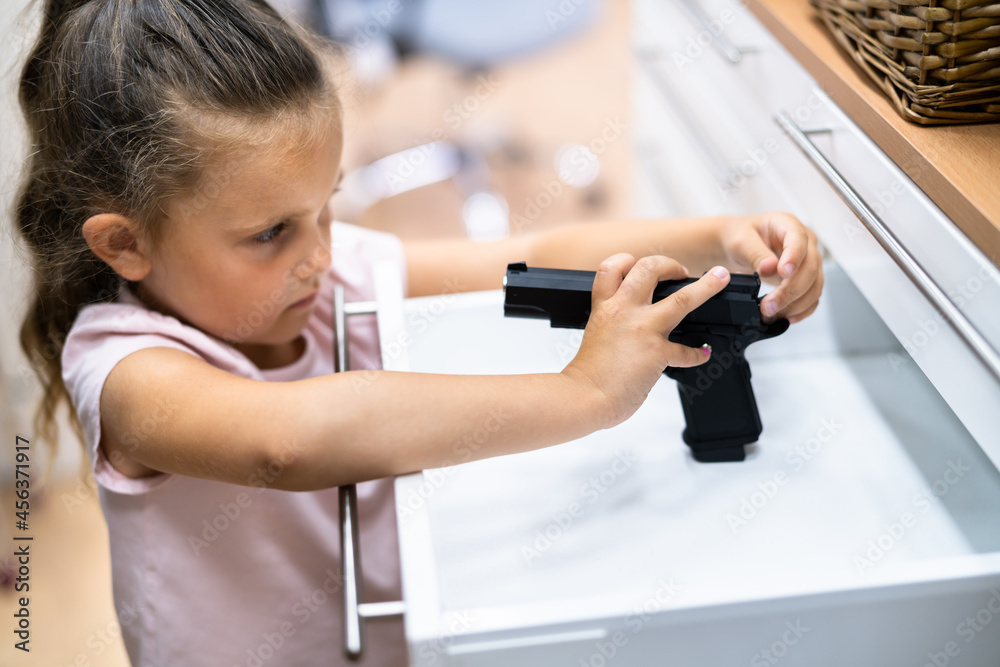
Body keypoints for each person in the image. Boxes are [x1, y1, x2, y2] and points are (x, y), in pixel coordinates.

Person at [14, 1, 823, 665]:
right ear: (127, 243)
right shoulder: (125, 370)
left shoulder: (327, 267)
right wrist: (580, 392)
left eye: (326, 204)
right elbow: (284, 442)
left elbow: (530, 254)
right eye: (271, 233)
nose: (320, 254)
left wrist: (720, 234)